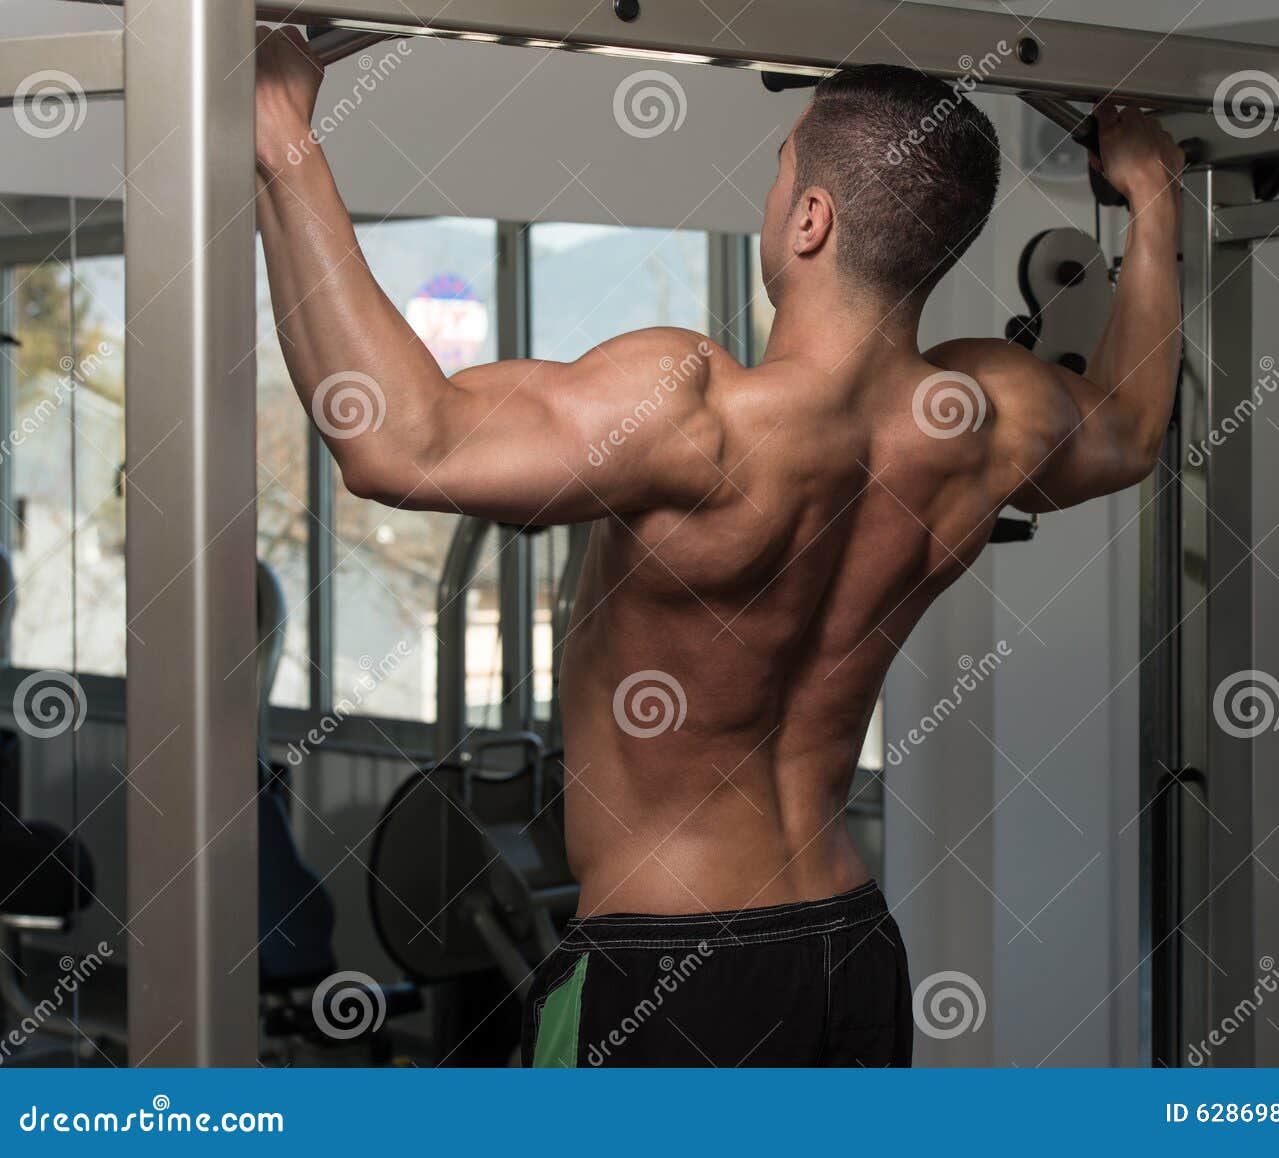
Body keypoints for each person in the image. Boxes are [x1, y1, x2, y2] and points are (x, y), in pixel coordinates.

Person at [253, 28, 1184, 1067]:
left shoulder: (697, 415)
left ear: (812, 219)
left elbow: (394, 440)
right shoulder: (979, 420)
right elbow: (1135, 427)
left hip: (667, 969)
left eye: (780, 172)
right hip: (848, 946)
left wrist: (284, 134)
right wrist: (1152, 198)